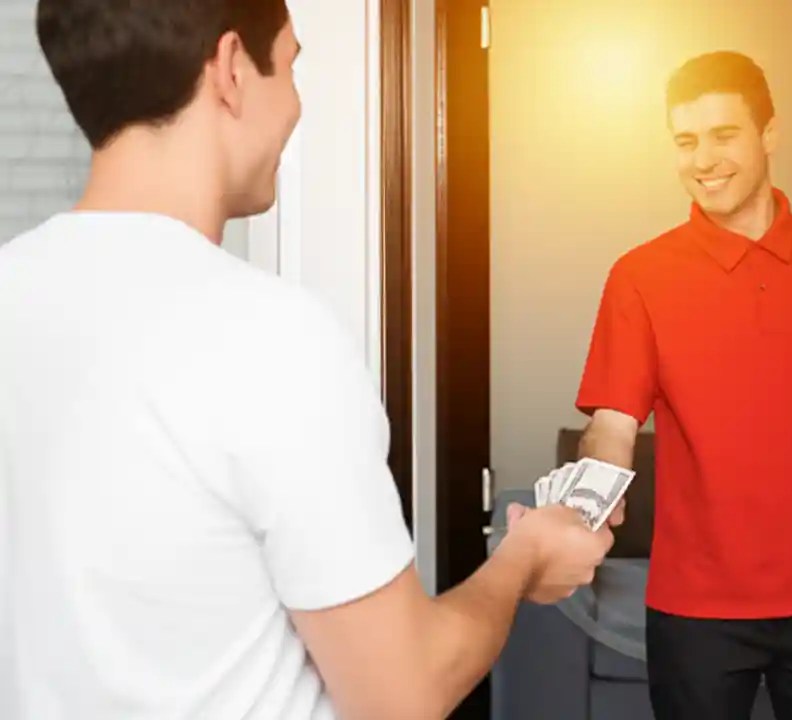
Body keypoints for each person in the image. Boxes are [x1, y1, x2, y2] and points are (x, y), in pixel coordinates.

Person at [0, 2, 614, 718]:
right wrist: (523, 559)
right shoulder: (267, 336)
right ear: (232, 69)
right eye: (291, 67)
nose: (295, 104)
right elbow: (403, 694)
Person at [575, 50, 792, 719]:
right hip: (694, 607)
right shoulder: (640, 275)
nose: (704, 160)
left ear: (769, 134)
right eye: (685, 141)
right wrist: (591, 501)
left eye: (724, 135)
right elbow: (613, 423)